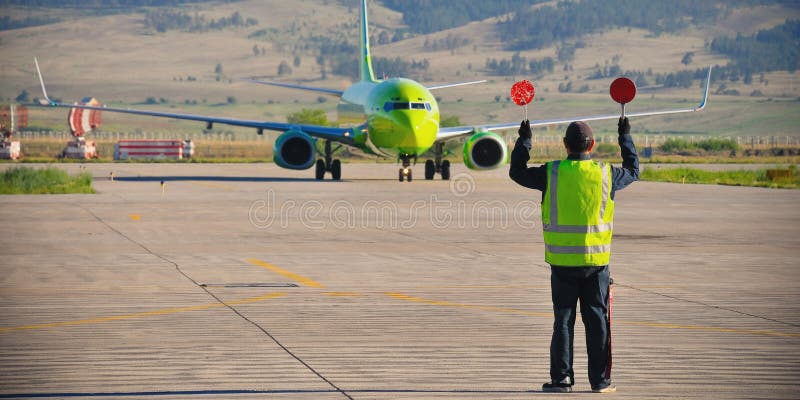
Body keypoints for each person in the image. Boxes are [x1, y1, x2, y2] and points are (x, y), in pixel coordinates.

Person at [509, 117, 639, 393]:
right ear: (592, 145)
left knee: (564, 322)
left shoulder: (551, 173)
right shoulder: (607, 174)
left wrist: (525, 140)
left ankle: (562, 379)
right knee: (597, 321)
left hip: (562, 263)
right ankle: (600, 381)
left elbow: (517, 172)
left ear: (565, 145)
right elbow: (633, 169)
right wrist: (624, 136)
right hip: (596, 264)